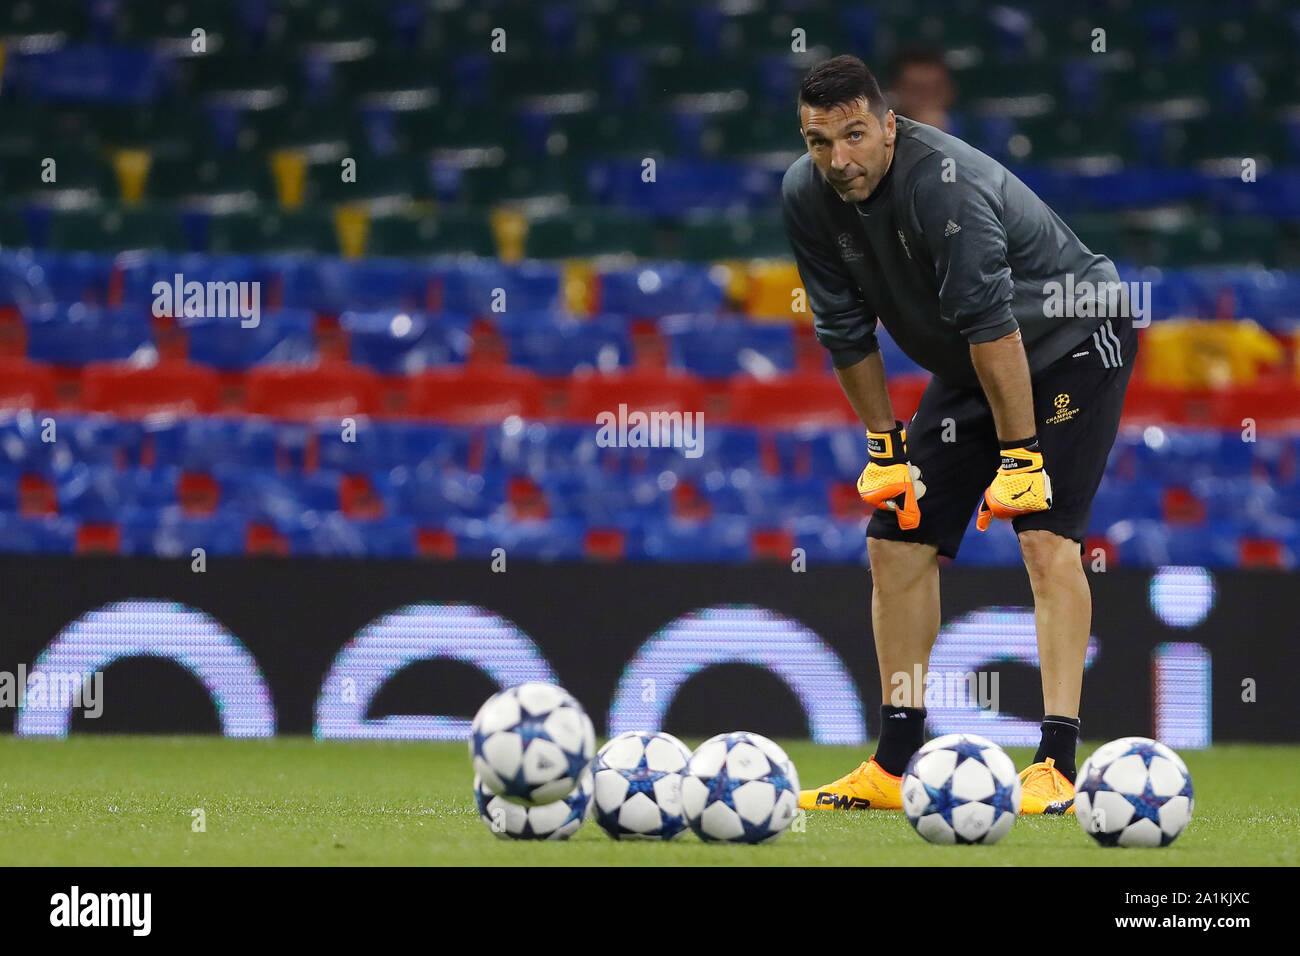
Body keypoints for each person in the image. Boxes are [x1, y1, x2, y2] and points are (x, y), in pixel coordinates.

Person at [781, 54, 1136, 814]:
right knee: (896, 536)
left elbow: (993, 326)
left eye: (852, 135)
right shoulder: (805, 196)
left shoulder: (946, 185)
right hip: (976, 359)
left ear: (888, 126)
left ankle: (1057, 762)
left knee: (1045, 539)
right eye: (818, 142)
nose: (838, 161)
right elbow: (844, 327)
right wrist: (886, 446)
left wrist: (1021, 457)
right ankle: (893, 762)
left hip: (1073, 339)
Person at [889, 46, 956, 132]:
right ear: (895, 91)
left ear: (950, 90)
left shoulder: (974, 129)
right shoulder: (880, 136)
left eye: (935, 91)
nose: (926, 99)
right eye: (915, 90)